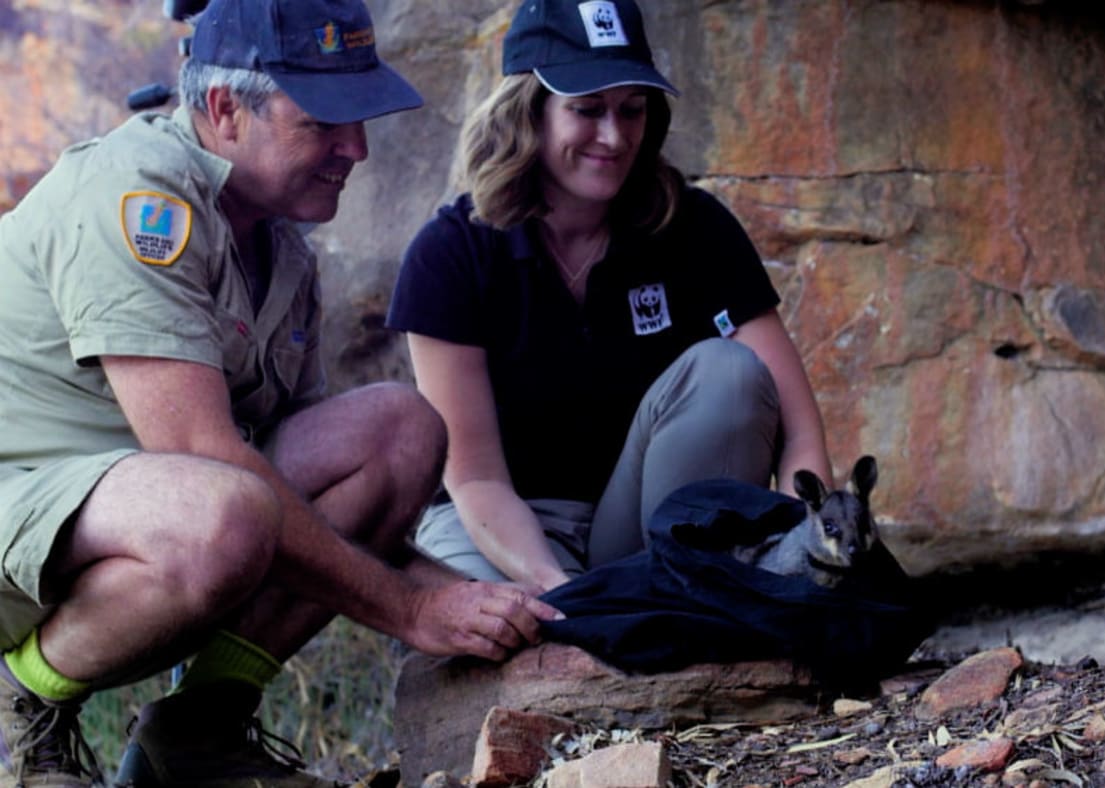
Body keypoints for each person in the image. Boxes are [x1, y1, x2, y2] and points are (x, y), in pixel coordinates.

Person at [0, 0, 561, 784]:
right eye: (323, 122)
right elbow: (202, 459)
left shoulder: (279, 246)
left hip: (138, 526)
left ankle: (196, 732)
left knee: (398, 431)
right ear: (225, 109)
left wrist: (498, 603)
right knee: (224, 510)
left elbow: (322, 517)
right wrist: (411, 611)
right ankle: (21, 709)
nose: (356, 148)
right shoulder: (136, 195)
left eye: (358, 118)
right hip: (23, 525)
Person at [387, 0, 834, 592]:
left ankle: (693, 594)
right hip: (493, 524)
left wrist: (817, 555)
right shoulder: (451, 253)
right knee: (512, 631)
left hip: (639, 526)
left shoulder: (694, 227)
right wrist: (564, 598)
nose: (614, 135)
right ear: (530, 112)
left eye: (632, 109)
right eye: (587, 108)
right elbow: (476, 481)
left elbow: (799, 430)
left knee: (729, 370)